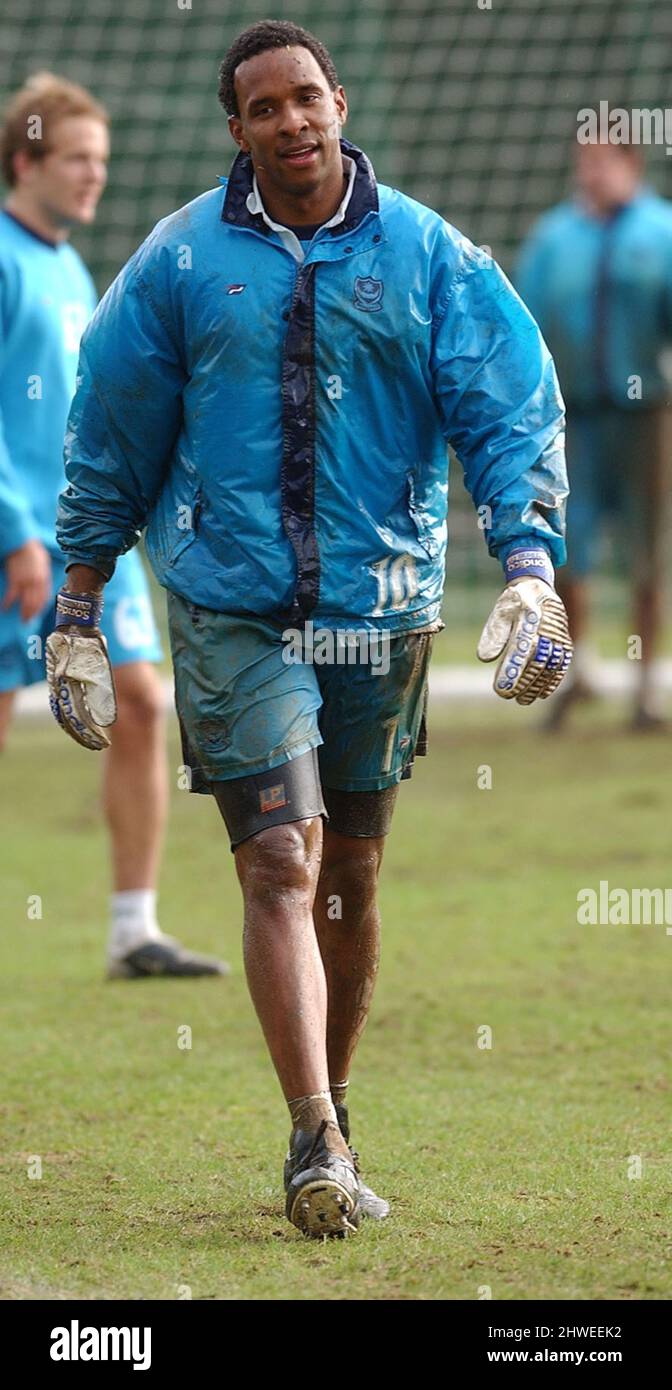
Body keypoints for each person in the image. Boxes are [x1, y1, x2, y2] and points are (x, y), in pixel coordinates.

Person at [48, 21, 572, 1236]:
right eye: (264, 107)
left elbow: (505, 403)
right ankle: (313, 1136)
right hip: (230, 609)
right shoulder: (177, 263)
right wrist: (78, 605)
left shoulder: (431, 255)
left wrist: (531, 566)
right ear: (234, 129)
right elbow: (110, 430)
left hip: (381, 610)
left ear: (339, 102)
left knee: (351, 870)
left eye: (307, 97)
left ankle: (337, 1107)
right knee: (279, 859)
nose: (292, 121)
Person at [0, 73, 227, 979]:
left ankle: (134, 929)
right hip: (17, 537)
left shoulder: (69, 262)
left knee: (139, 702)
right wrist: (14, 528)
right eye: (77, 159)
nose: (95, 176)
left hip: (91, 539)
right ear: (25, 160)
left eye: (102, 159)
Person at [515, 132, 672, 730]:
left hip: (646, 417)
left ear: (631, 163)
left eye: (604, 160)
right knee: (565, 550)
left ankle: (645, 688)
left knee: (646, 551)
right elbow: (524, 328)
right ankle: (574, 675)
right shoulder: (554, 240)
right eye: (584, 160)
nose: (591, 172)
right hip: (572, 420)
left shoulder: (661, 233)